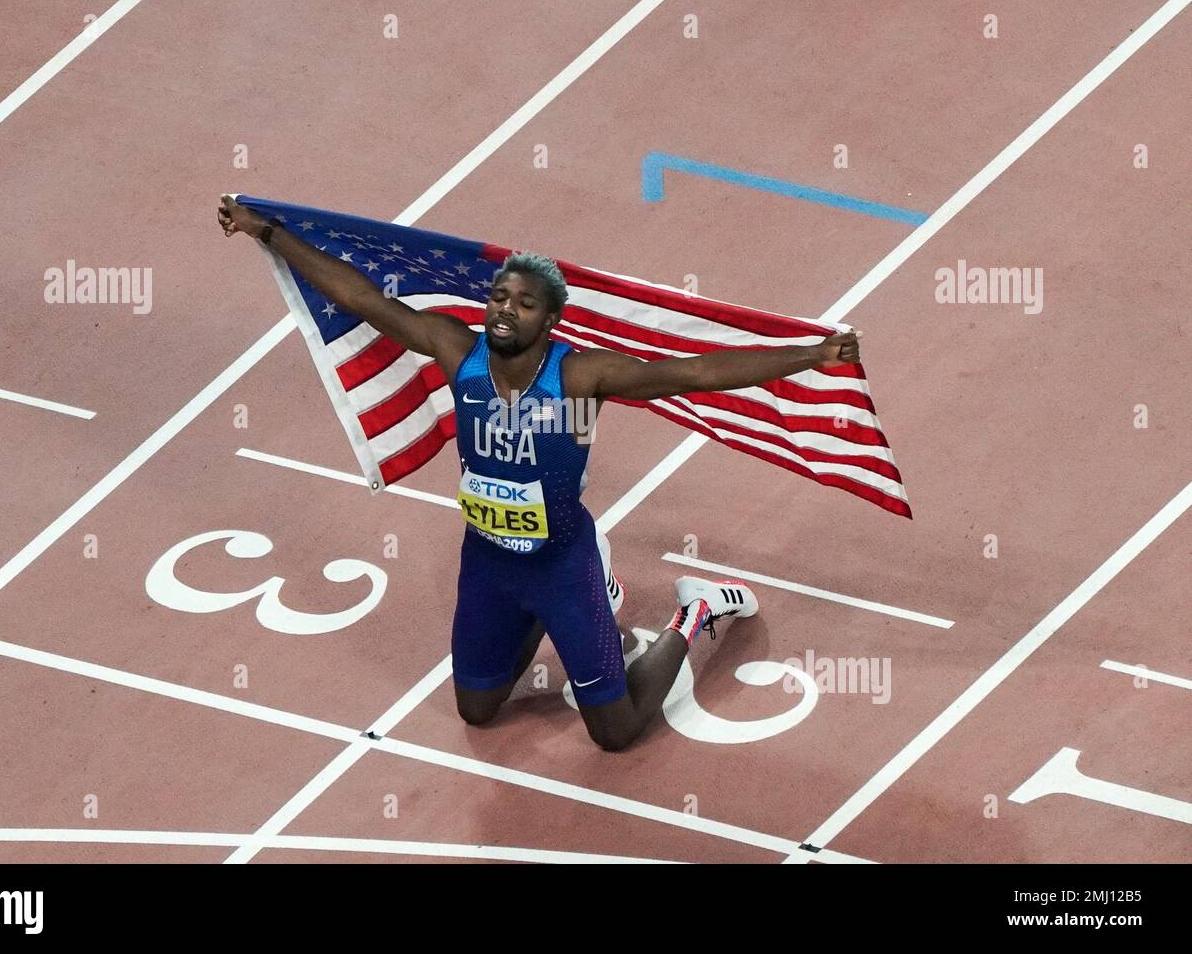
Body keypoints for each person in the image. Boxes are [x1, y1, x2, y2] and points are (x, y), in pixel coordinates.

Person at [218, 196, 861, 750]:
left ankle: (694, 613)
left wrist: (811, 354)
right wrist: (267, 234)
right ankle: (547, 623)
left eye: (524, 304)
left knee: (613, 733)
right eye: (499, 296)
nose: (505, 309)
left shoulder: (580, 375)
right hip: (489, 562)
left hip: (561, 562)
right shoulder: (455, 349)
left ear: (549, 321)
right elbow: (358, 294)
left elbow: (694, 373)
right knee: (478, 710)